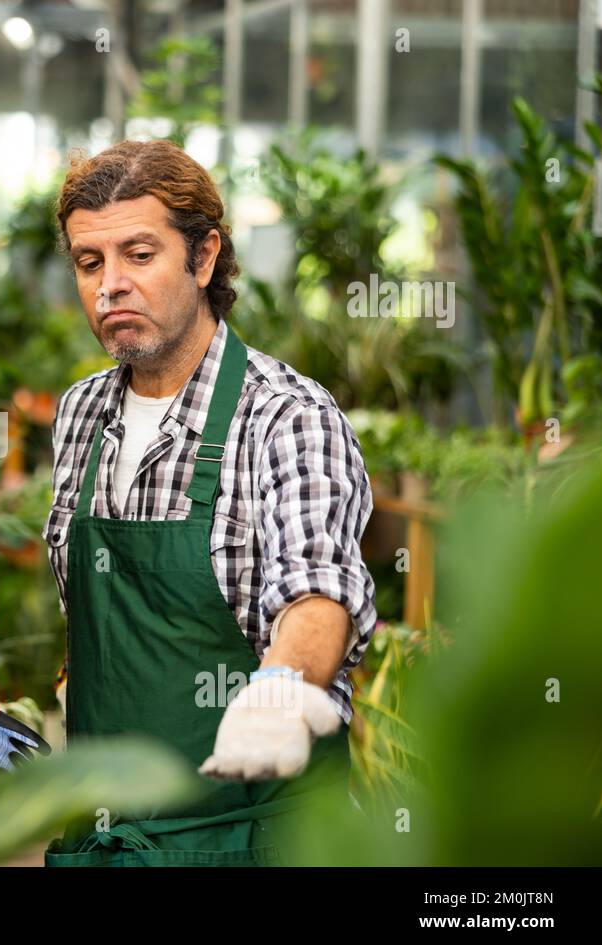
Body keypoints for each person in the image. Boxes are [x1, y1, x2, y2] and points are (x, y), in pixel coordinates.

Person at [43, 139, 377, 866]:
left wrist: (280, 692)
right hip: (109, 840)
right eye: (89, 262)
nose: (110, 286)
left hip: (254, 839)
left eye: (139, 254)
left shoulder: (285, 416)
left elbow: (319, 590)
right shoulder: (79, 415)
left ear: (202, 258)